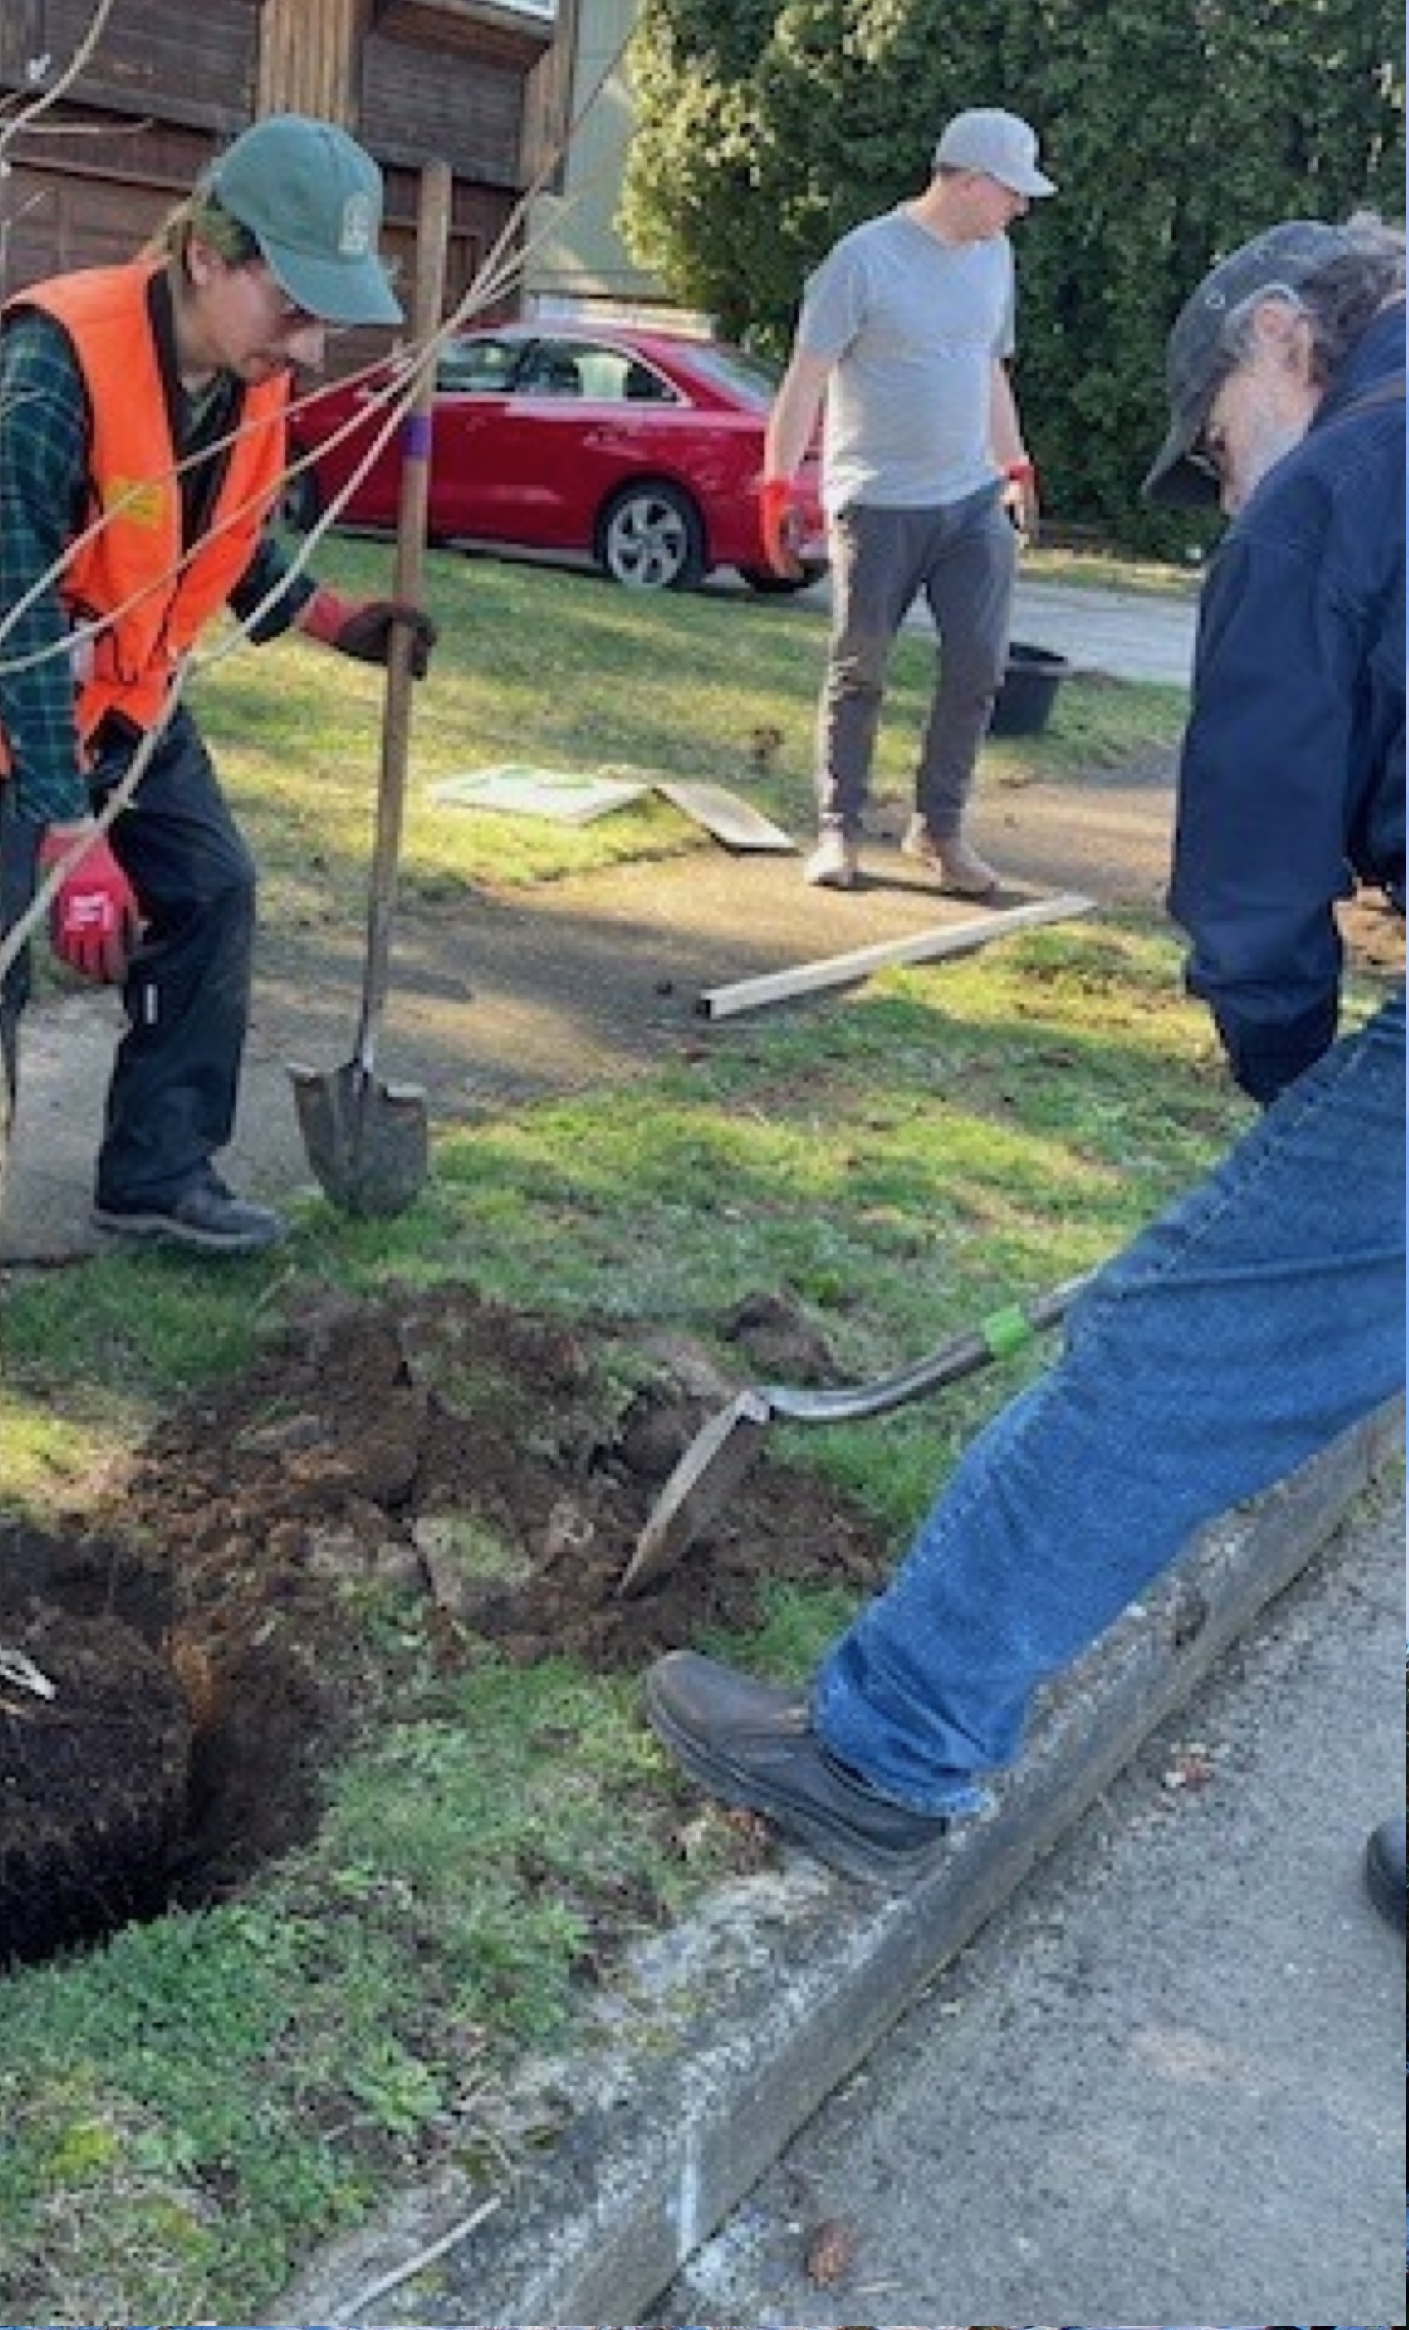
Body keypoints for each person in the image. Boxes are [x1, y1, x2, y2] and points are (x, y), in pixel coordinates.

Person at [651, 217, 1400, 1928]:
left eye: (1211, 444)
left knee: (1159, 1348)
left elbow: (1248, 889)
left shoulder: (1336, 482)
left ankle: (882, 1748)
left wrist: (1288, 1089)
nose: (1221, 490)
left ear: (1277, 340)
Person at [0, 113, 440, 1306]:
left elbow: (221, 537)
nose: (315, 342)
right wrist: (68, 830)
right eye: (292, 303)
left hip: (126, 678)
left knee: (213, 887)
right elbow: (20, 611)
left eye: (327, 311)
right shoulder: (54, 360)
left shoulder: (251, 376)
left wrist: (337, 620)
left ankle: (154, 1170)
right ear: (204, 258)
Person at [754, 108, 1054, 898]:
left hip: (970, 500)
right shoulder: (864, 259)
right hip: (877, 502)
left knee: (978, 667)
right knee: (859, 671)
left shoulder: (995, 258)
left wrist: (1014, 464)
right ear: (966, 180)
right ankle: (837, 830)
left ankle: (939, 829)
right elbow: (805, 378)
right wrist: (777, 487)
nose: (1017, 208)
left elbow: (988, 367)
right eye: (1009, 192)